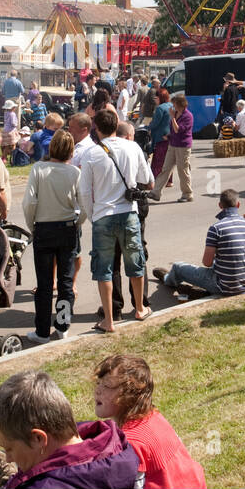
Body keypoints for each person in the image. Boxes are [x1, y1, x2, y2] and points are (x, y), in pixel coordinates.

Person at [0, 371, 141, 489]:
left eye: (9, 448)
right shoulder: (115, 447)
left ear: (38, 438)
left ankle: (8, 481)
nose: (8, 458)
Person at [78, 109, 153, 332]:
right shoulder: (133, 147)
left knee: (105, 268)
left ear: (96, 129)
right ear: (117, 123)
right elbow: (146, 179)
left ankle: (109, 319)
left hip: (102, 214)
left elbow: (84, 192)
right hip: (128, 211)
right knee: (135, 260)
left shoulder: (91, 154)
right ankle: (140, 308)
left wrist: (92, 215)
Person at [92, 354, 206, 489]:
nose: (97, 390)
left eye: (107, 385)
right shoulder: (153, 416)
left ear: (129, 394)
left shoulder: (130, 443)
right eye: (98, 383)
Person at [22, 129, 81, 344]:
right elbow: (83, 206)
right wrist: (77, 223)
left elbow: (29, 203)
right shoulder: (75, 172)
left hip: (44, 229)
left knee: (44, 283)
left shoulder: (38, 169)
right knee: (65, 281)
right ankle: (63, 325)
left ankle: (42, 331)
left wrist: (32, 225)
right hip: (67, 228)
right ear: (71, 151)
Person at [154, 189, 245, 297]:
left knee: (177, 267)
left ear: (220, 205)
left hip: (223, 286)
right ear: (238, 205)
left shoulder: (216, 228)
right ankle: (201, 290)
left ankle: (167, 279)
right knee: (217, 264)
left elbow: (207, 262)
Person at [147, 94, 192, 203]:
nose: (172, 106)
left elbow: (178, 129)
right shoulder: (176, 113)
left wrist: (172, 118)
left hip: (183, 146)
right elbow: (173, 131)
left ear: (180, 104)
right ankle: (156, 192)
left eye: (174, 104)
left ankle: (187, 194)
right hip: (172, 144)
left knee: (183, 170)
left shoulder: (187, 116)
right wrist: (168, 136)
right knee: (166, 168)